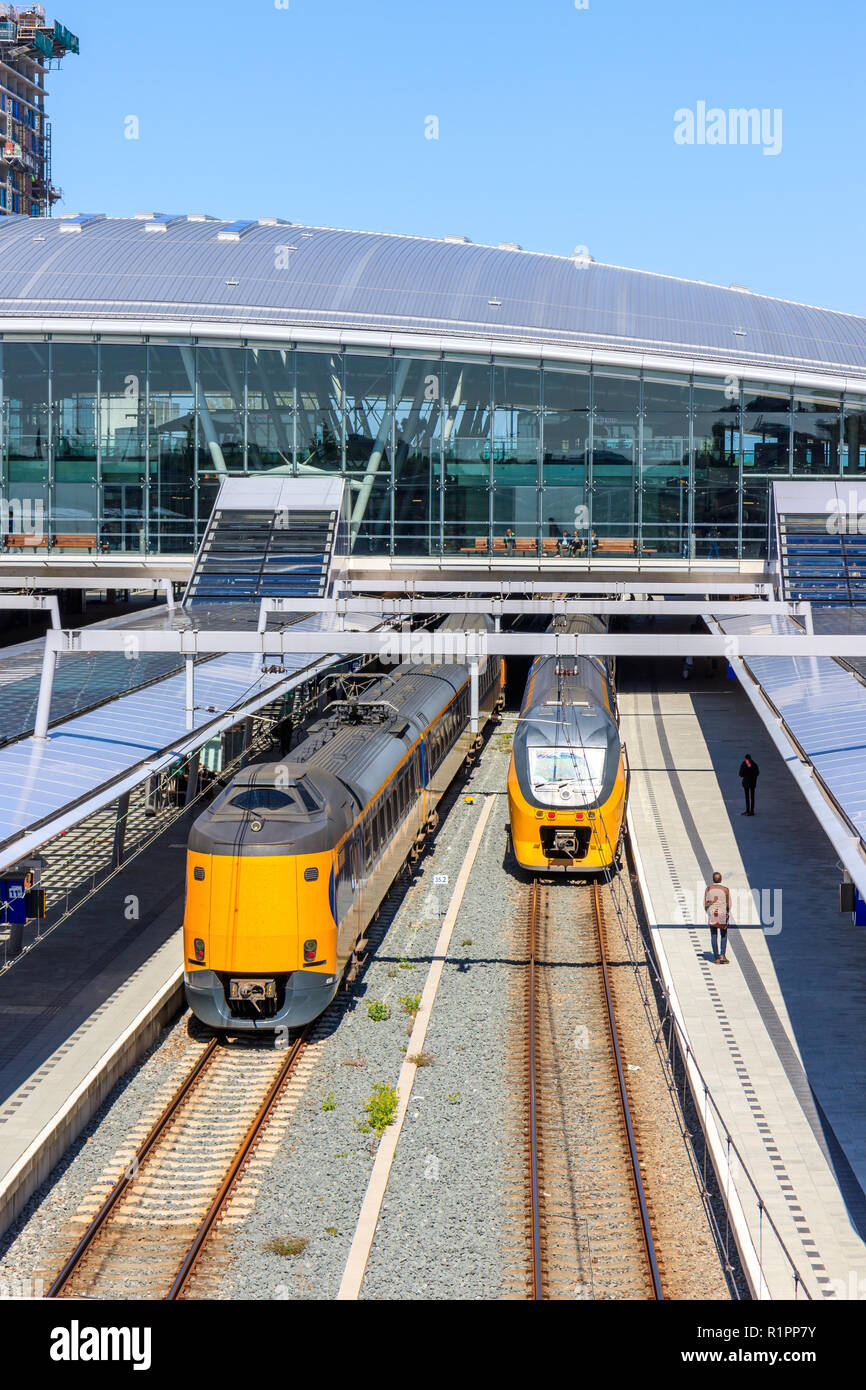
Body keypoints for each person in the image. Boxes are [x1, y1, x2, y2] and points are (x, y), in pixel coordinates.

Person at [704, 871, 731, 964]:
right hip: (722, 914)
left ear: (712, 879)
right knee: (724, 934)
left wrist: (708, 912)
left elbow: (705, 904)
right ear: (721, 879)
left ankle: (716, 958)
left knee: (714, 935)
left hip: (713, 914)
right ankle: (722, 955)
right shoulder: (725, 889)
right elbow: (728, 904)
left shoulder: (708, 889)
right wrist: (726, 912)